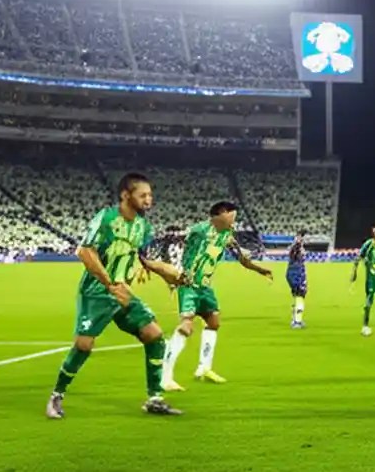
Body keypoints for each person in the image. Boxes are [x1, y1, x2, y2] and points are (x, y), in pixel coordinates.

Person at [45, 173, 188, 419]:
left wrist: (166, 274)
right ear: (126, 195)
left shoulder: (143, 227)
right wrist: (110, 284)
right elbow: (85, 251)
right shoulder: (107, 218)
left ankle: (154, 398)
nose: (148, 200)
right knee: (84, 345)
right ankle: (56, 396)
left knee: (154, 335)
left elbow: (141, 258)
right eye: (143, 195)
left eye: (150, 195)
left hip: (122, 292)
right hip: (96, 292)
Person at [160, 202, 273, 392]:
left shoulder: (227, 235)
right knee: (186, 327)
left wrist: (260, 270)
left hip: (205, 287)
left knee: (213, 322)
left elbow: (242, 258)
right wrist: (168, 274)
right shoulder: (199, 230)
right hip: (189, 285)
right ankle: (165, 377)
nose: (234, 222)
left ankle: (203, 368)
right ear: (221, 214)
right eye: (232, 217)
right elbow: (169, 242)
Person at [287, 231, 308, 328]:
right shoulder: (297, 250)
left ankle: (295, 319)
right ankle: (297, 321)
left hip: (293, 274)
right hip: (297, 275)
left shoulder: (294, 251)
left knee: (297, 297)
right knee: (300, 297)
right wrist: (299, 240)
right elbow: (297, 246)